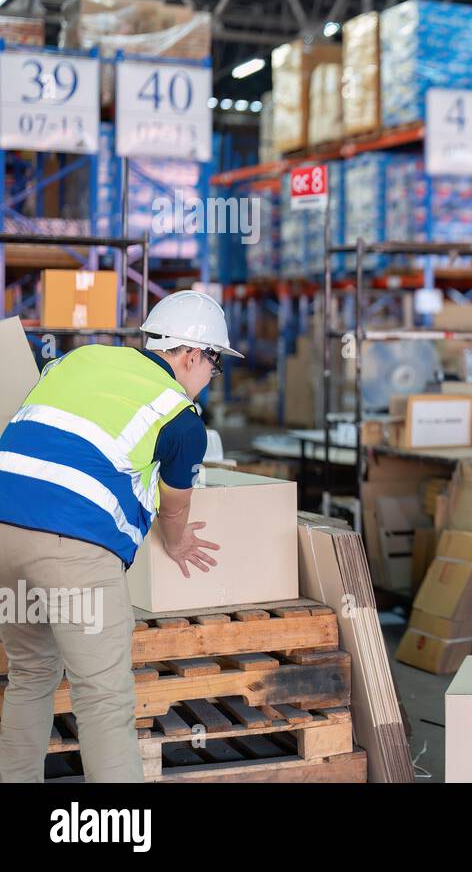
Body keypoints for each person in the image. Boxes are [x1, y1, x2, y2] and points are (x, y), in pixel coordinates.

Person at [0, 289, 241, 782]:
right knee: (103, 698)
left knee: (29, 675)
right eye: (213, 366)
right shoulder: (180, 417)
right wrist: (177, 544)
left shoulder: (79, 359)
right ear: (192, 353)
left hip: (3, 533)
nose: (209, 380)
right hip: (72, 549)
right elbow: (176, 508)